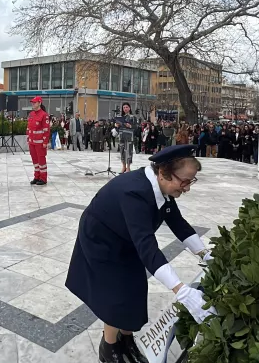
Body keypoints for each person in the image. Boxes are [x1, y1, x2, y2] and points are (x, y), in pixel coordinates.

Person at [66, 145, 215, 363]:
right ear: (163, 172)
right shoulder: (134, 193)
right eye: (184, 181)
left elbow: (179, 224)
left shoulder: (162, 188)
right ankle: (109, 348)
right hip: (103, 239)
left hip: (126, 237)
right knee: (116, 294)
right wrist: (180, 290)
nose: (187, 188)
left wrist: (205, 254)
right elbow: (147, 246)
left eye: (190, 181)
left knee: (135, 287)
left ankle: (126, 340)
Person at [26, 96, 49, 185]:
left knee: (41, 161)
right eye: (32, 102)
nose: (33, 104)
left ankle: (43, 178)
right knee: (35, 161)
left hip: (40, 143)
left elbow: (46, 130)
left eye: (34, 102)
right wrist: (28, 137)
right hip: (32, 142)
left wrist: (45, 142)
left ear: (39, 103)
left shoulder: (44, 115)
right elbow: (28, 127)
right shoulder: (31, 114)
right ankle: (37, 177)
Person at [115, 102, 136, 173]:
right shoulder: (120, 117)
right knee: (122, 151)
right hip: (121, 136)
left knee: (129, 151)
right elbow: (117, 129)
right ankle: (123, 166)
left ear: (129, 108)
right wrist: (117, 126)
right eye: (124, 107)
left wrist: (130, 126)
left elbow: (136, 127)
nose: (125, 109)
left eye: (126, 107)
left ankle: (128, 167)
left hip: (129, 136)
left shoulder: (133, 117)